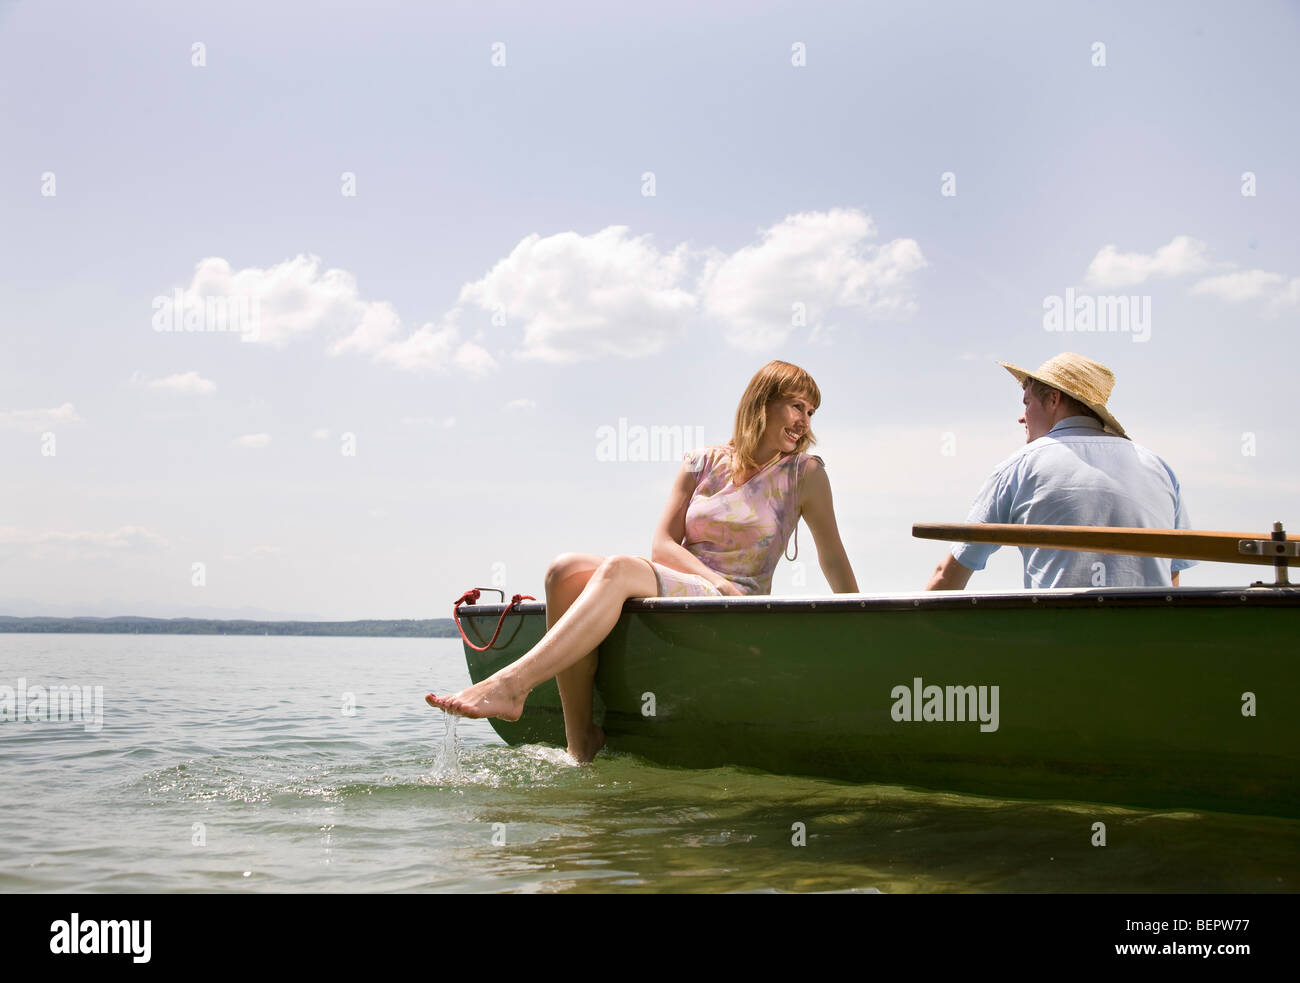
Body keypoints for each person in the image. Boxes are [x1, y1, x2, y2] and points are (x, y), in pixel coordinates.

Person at [426, 360, 859, 761]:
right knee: (564, 570)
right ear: (761, 404)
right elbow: (663, 545)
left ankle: (512, 685)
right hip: (692, 584)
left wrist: (860, 619)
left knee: (617, 567)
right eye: (796, 406)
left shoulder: (806, 474)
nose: (804, 421)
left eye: (811, 412)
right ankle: (582, 744)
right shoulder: (701, 461)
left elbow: (832, 557)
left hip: (737, 604)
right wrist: (712, 579)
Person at [926, 352, 1193, 591]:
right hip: (1148, 642)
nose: (1022, 416)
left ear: (1054, 399)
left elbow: (948, 576)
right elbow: (1171, 580)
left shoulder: (1020, 467)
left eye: (1027, 402)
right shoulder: (1159, 469)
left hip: (1057, 641)